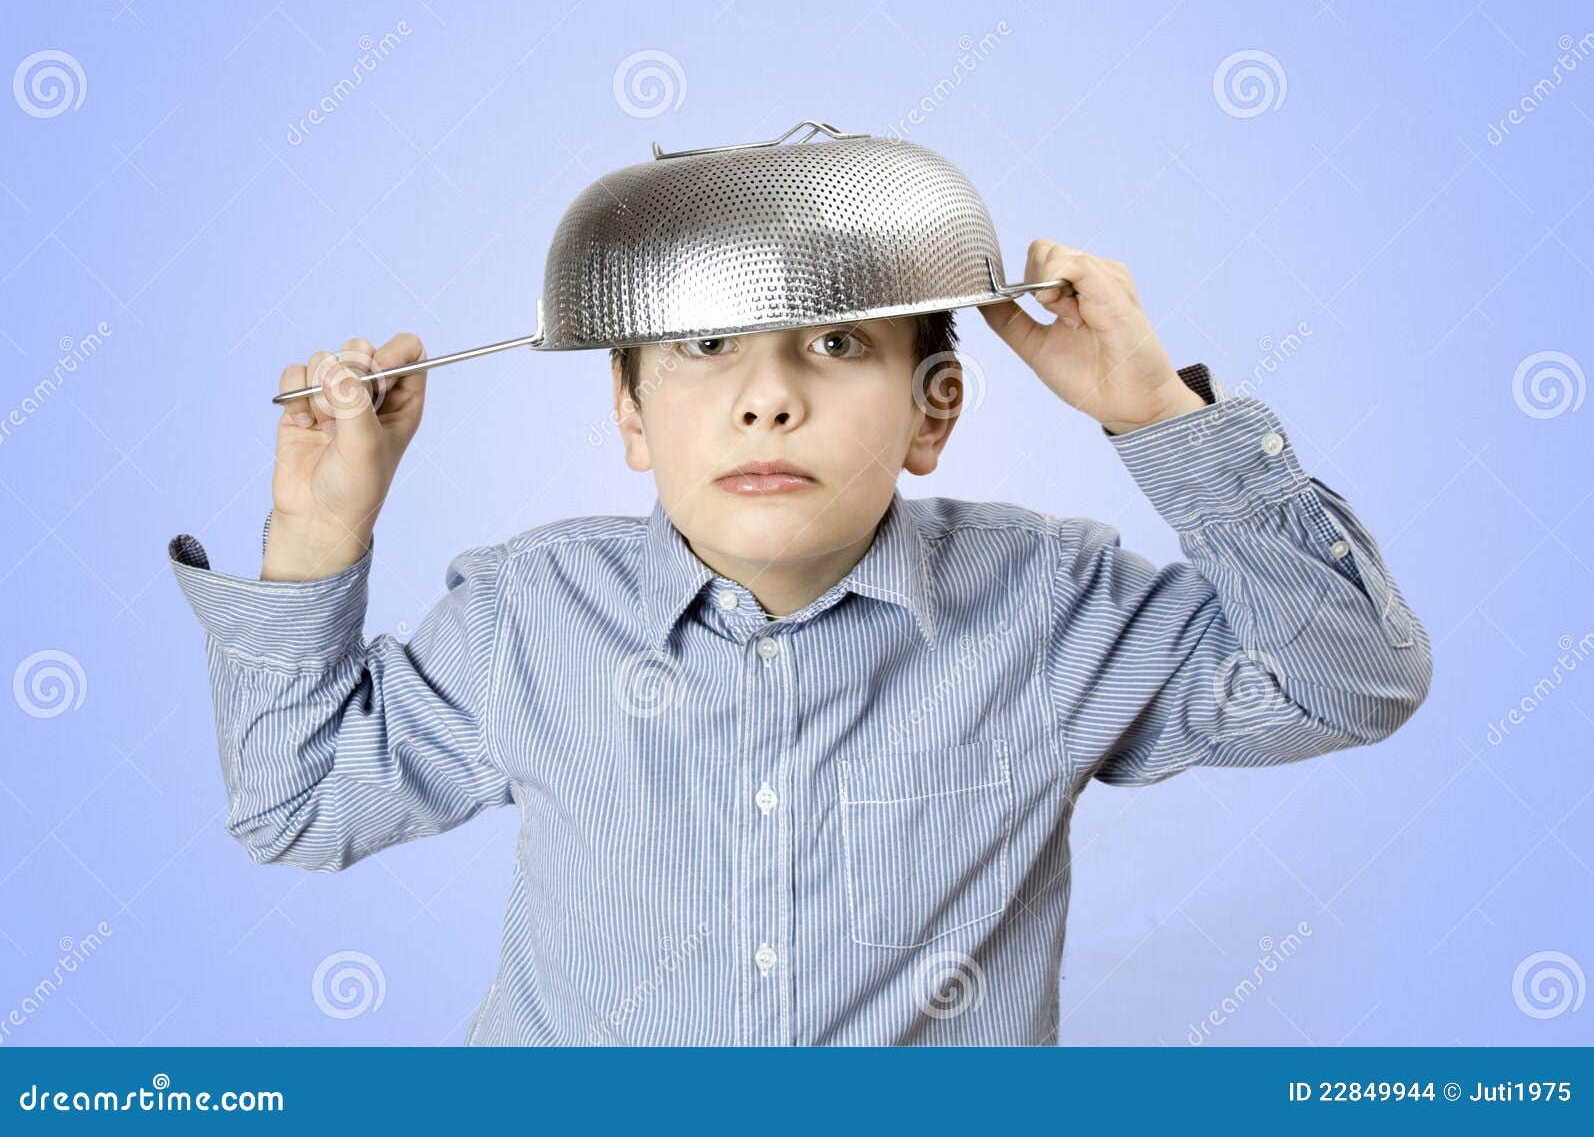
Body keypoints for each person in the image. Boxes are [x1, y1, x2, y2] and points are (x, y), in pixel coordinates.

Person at [168, 239, 1431, 1045]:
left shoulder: (1050, 604)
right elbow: (299, 809)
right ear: (630, 413)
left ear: (935, 412)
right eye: (705, 348)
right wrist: (318, 530)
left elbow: (1349, 682)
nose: (767, 395)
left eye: (836, 345)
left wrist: (1158, 416)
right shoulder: (530, 612)